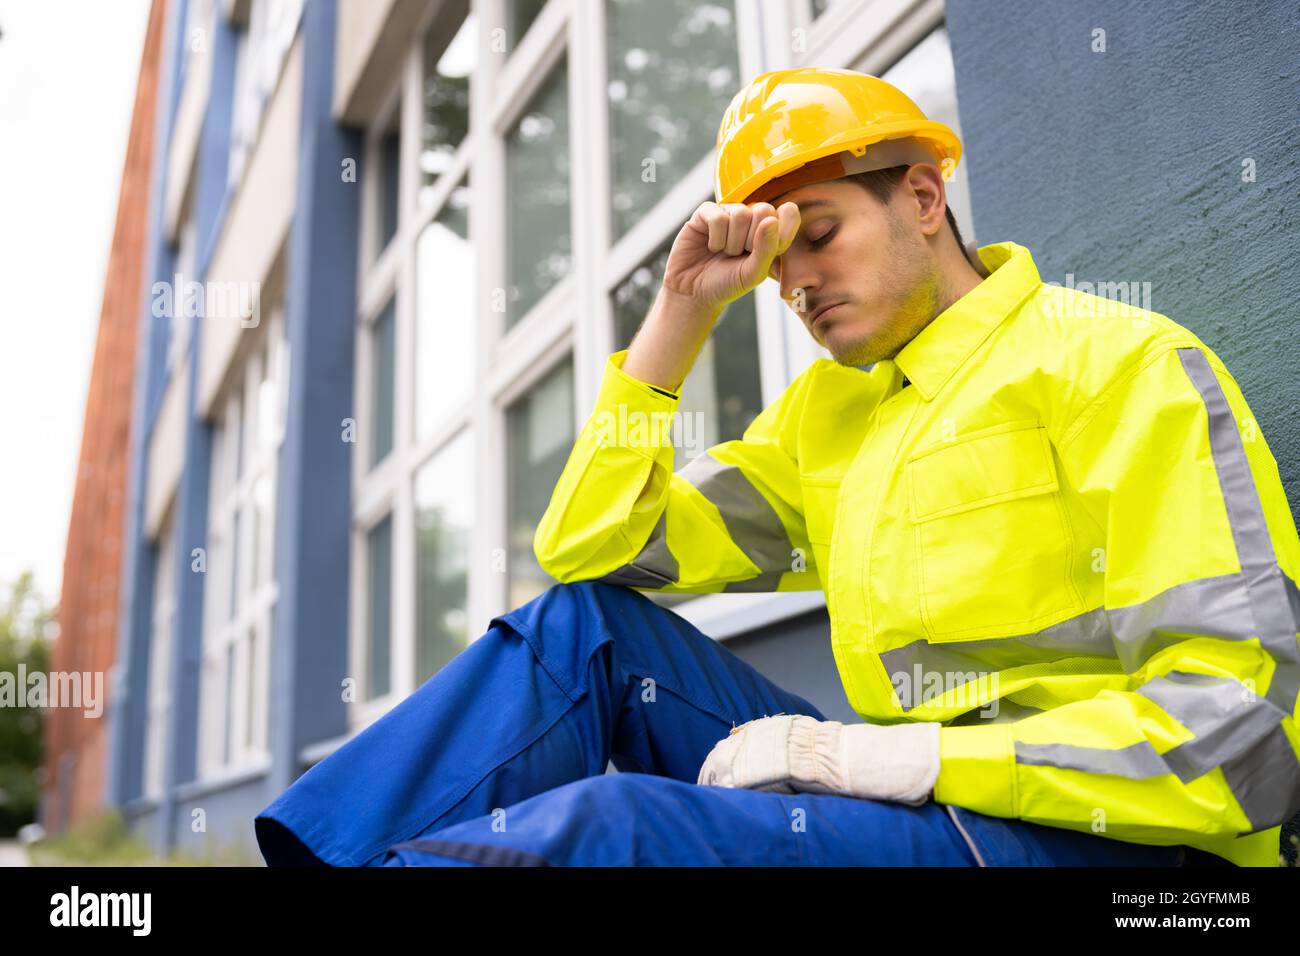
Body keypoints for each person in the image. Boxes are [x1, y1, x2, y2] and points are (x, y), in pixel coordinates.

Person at [254, 68, 1300, 867]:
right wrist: (679, 314)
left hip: (1117, 850)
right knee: (581, 632)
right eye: (779, 256)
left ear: (925, 198)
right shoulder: (829, 417)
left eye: (822, 235)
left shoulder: (1117, 366)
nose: (794, 282)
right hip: (918, 803)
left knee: (609, 827)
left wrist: (897, 759)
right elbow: (592, 547)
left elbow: (1241, 734)